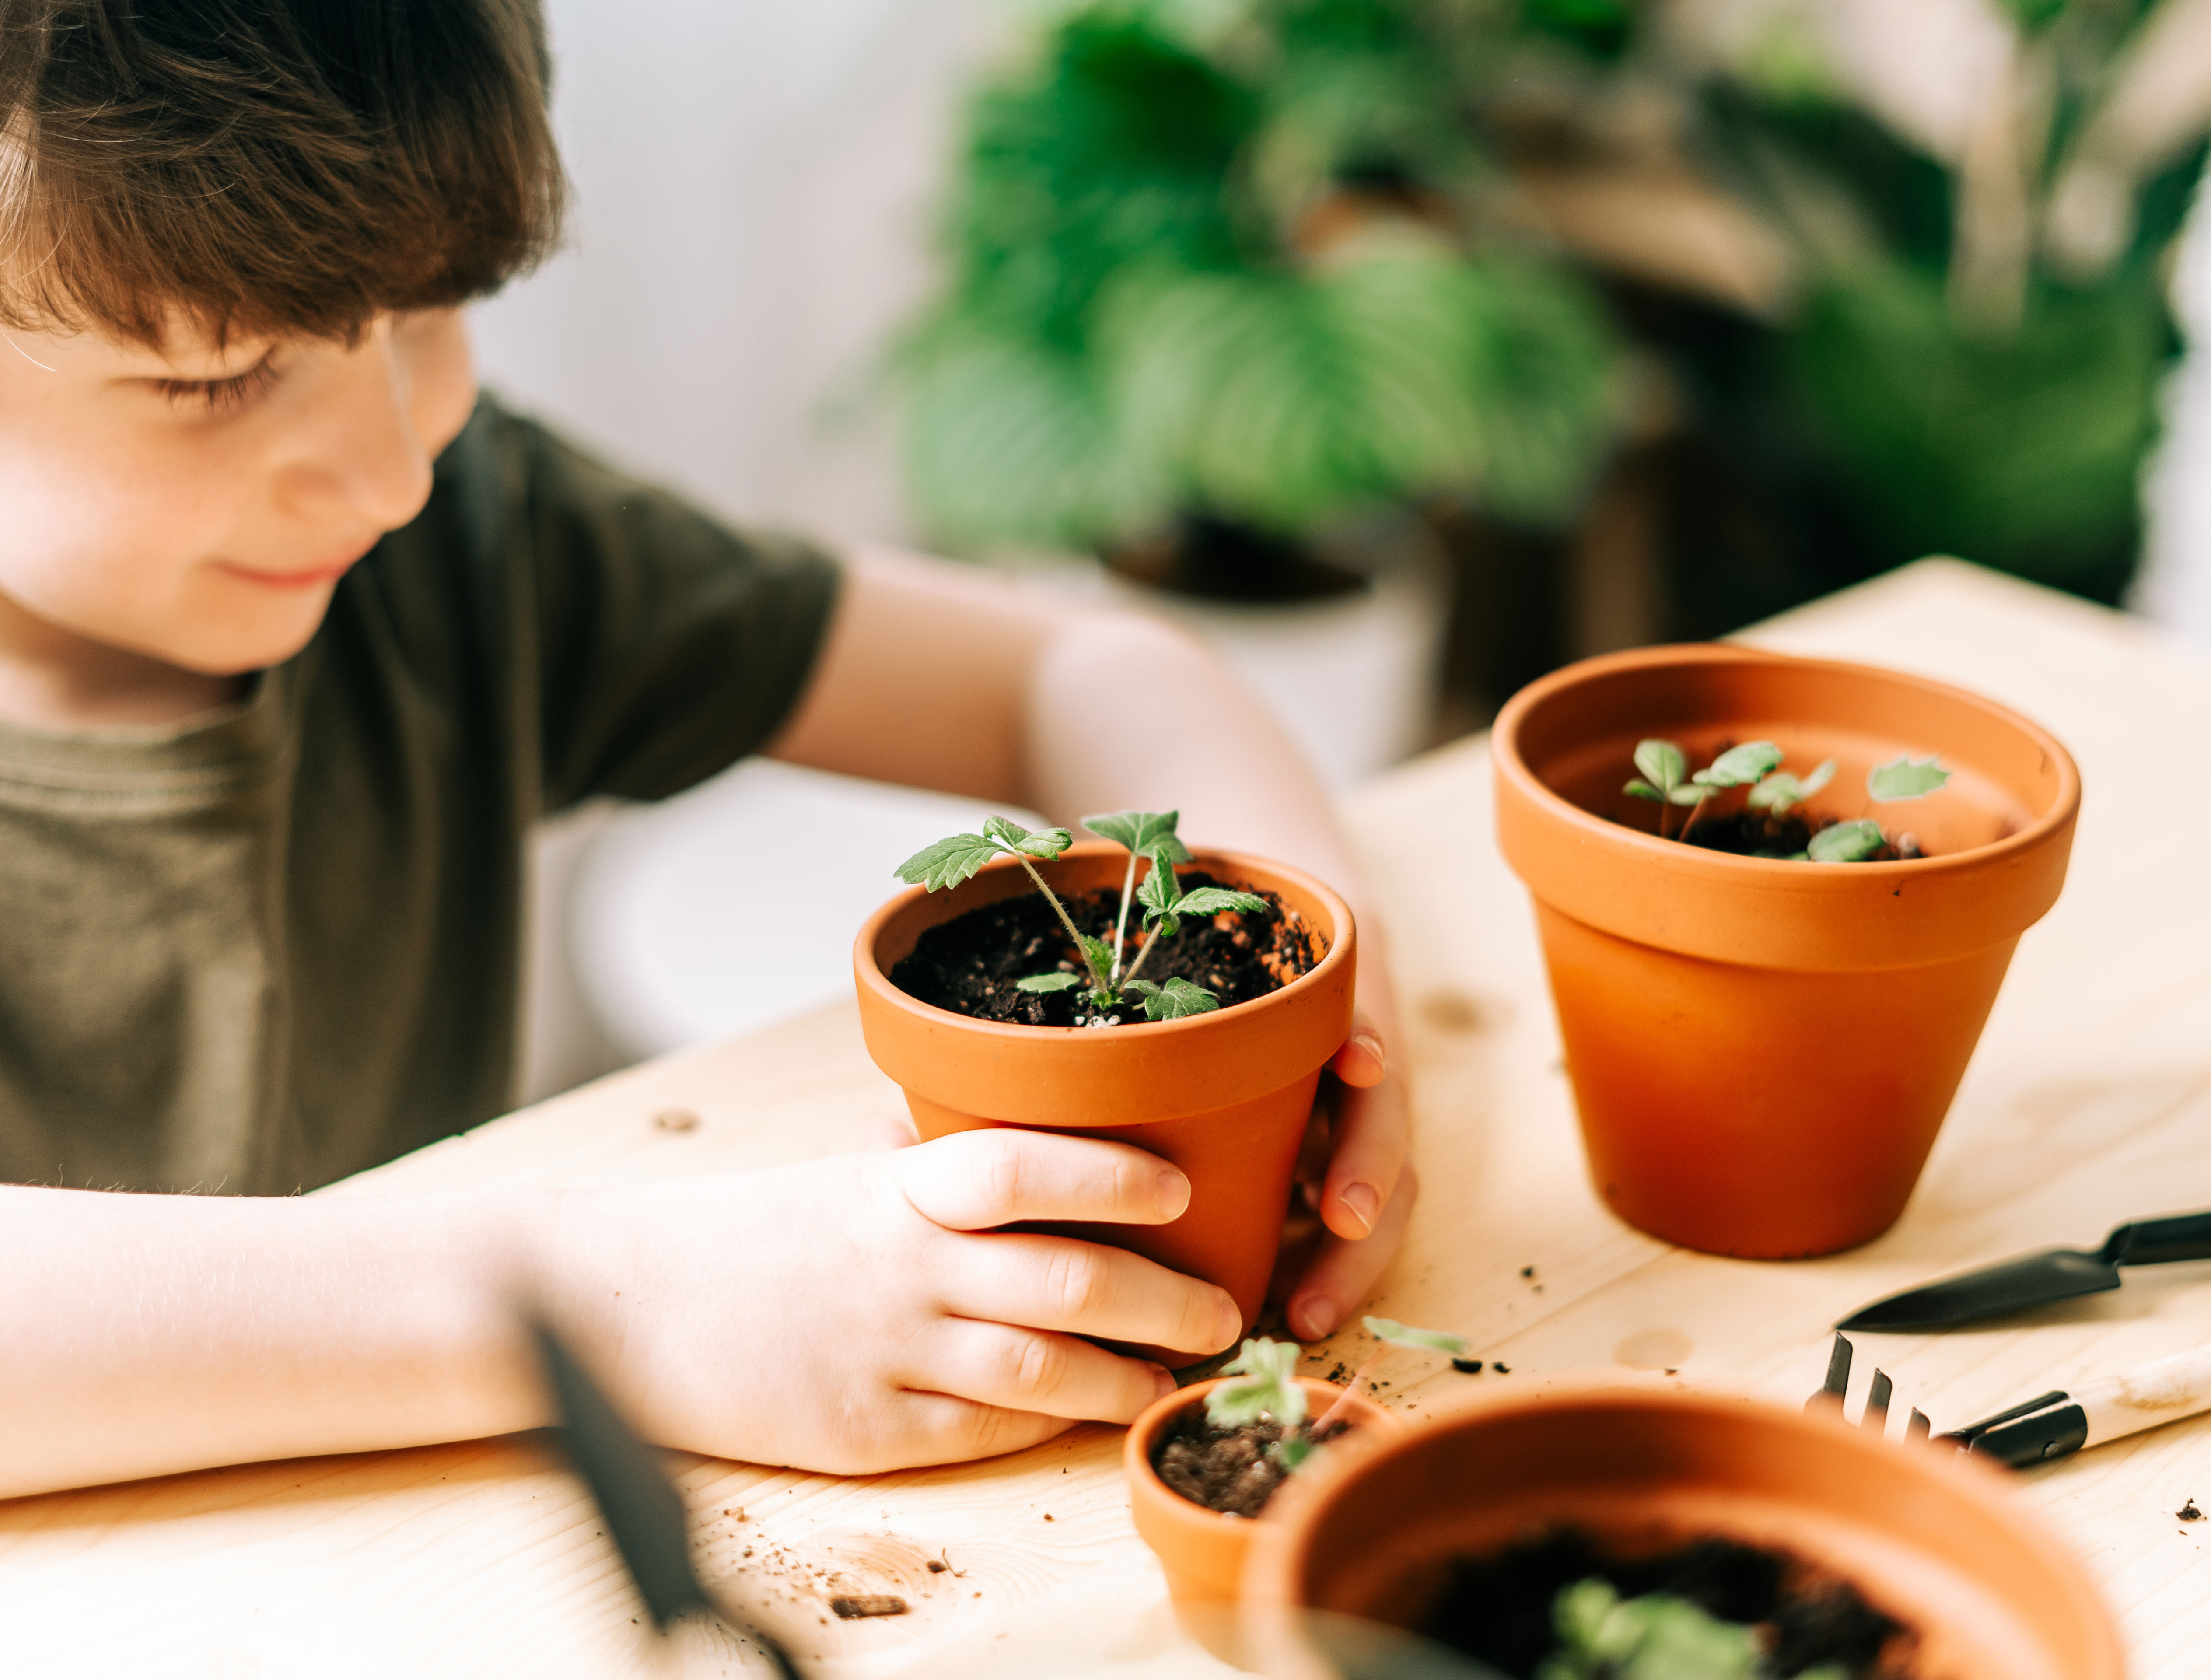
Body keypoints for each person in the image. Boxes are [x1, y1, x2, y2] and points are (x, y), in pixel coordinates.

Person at [0, 0, 1412, 1499]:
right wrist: (612, 1309)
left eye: (426, 315)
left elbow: (1083, 668)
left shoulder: (470, 548)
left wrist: (1329, 988)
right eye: (214, 378)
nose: (394, 464)